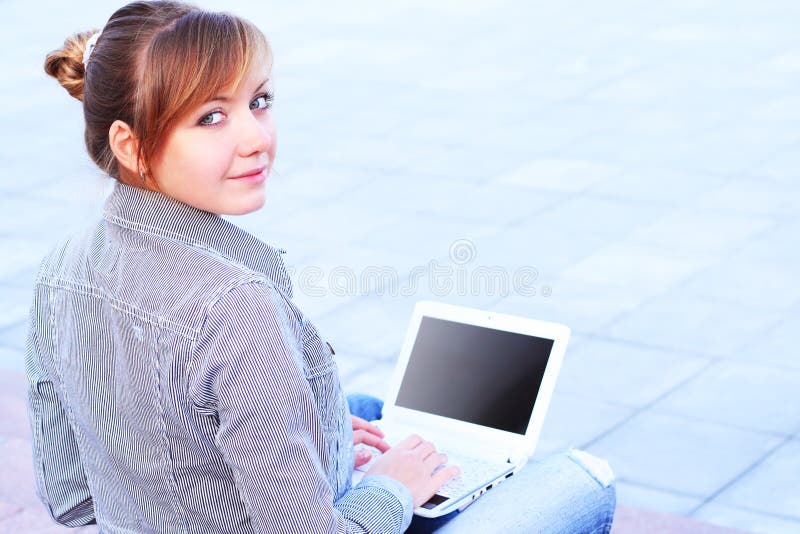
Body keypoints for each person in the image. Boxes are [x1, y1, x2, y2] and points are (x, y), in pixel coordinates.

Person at [27, 1, 616, 532]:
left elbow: (72, 499)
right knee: (583, 478)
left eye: (257, 102)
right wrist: (392, 489)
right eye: (211, 117)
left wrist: (320, 444)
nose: (256, 138)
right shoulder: (234, 307)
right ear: (129, 145)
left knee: (356, 409)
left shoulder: (57, 273)